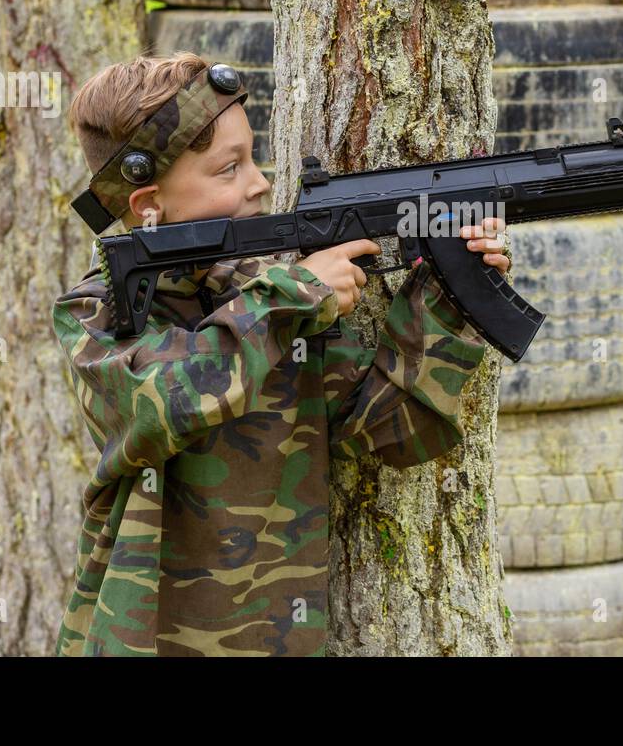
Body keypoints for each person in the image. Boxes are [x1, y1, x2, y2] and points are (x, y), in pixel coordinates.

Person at [51, 51, 509, 656]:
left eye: (253, 157)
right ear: (148, 206)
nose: (260, 182)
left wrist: (450, 295)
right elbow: (158, 404)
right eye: (227, 170)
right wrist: (292, 296)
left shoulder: (266, 291)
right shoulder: (97, 314)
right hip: (144, 635)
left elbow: (392, 433)